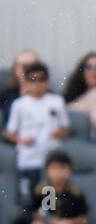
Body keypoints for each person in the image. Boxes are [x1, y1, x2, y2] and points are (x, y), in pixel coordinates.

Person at [4, 60, 70, 199]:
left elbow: (66, 130)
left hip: (50, 161)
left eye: (42, 79)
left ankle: (48, 219)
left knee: (48, 200)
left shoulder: (57, 101)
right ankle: (31, 219)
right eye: (33, 79)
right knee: (28, 198)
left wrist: (59, 132)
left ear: (47, 82)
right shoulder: (19, 104)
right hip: (28, 159)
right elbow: (8, 133)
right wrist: (21, 140)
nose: (37, 83)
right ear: (26, 82)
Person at [14, 149, 86, 224]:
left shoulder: (75, 193)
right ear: (47, 171)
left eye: (63, 169)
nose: (59, 173)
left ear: (69, 171)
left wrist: (68, 222)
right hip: (46, 223)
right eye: (55, 169)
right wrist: (48, 220)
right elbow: (32, 211)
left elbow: (83, 219)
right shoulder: (42, 190)